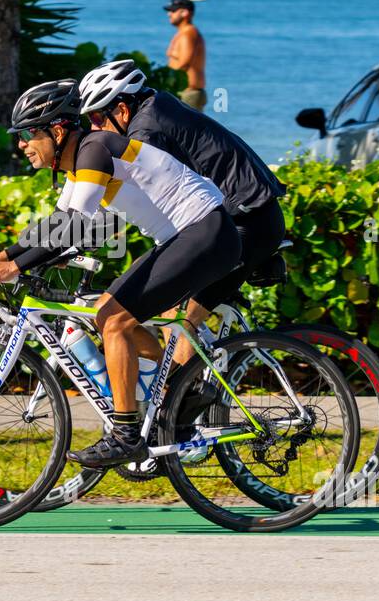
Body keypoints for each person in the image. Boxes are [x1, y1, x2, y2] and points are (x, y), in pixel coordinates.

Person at [0, 79, 241, 469]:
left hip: (204, 233)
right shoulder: (81, 162)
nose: (22, 145)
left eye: (29, 134)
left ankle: (126, 435)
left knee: (112, 320)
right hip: (189, 236)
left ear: (57, 130)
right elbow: (60, 223)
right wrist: (1, 255)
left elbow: (77, 227)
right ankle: (177, 392)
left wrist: (12, 267)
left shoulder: (94, 150)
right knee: (111, 315)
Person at [77, 59, 288, 411]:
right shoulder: (156, 106)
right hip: (246, 214)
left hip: (247, 222)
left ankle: (181, 412)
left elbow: (145, 197)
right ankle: (183, 397)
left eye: (98, 118)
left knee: (180, 316)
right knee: (170, 301)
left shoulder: (146, 132)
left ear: (122, 109)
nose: (94, 128)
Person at [164, 0, 207, 111]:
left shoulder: (188, 34)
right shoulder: (184, 32)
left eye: (173, 11)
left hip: (188, 94)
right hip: (184, 93)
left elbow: (184, 63)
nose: (169, 14)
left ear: (184, 13)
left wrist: (166, 84)